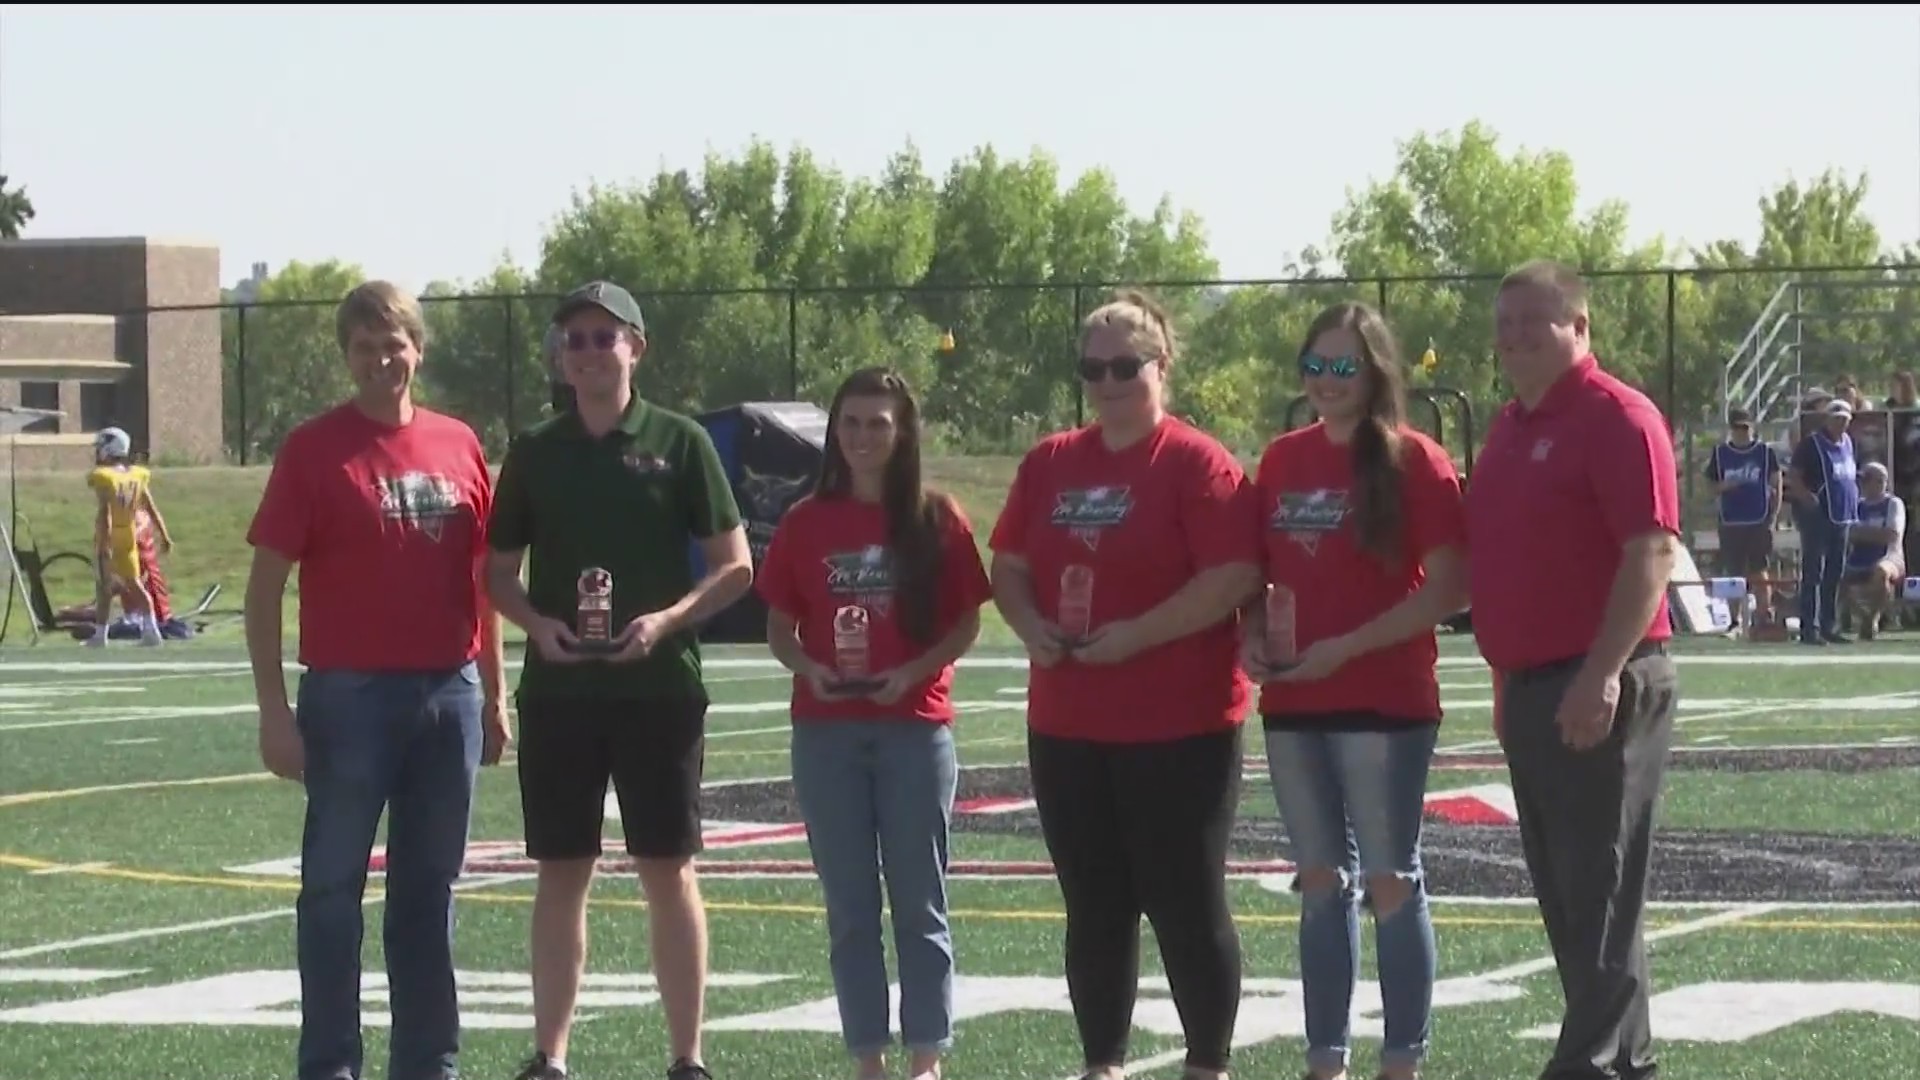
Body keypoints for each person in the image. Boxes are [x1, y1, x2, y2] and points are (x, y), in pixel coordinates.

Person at [987, 289, 1263, 1080]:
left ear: (1161, 365)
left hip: (1181, 723)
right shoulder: (1049, 461)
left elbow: (1235, 573)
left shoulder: (1196, 461)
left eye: (1123, 366)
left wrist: (1136, 636)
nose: (1106, 382)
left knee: (1185, 901)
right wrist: (1031, 624)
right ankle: (1101, 1063)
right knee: (1094, 903)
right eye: (1092, 368)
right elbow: (1008, 566)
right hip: (1069, 721)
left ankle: (1206, 1063)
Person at [484, 280, 754, 1080]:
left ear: (636, 347)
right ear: (560, 356)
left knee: (667, 869)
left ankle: (686, 1057)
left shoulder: (679, 442)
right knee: (561, 870)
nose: (592, 352)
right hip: (561, 692)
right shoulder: (534, 449)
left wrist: (666, 622)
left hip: (659, 688)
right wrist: (540, 629)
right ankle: (552, 1055)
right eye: (577, 339)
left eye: (607, 337)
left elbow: (736, 566)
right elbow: (499, 575)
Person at [243, 279, 511, 1080]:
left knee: (429, 897)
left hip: (447, 694)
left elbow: (484, 582)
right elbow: (264, 589)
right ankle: (329, 1064)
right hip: (349, 696)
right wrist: (273, 711)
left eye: (393, 344)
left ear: (416, 351)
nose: (380, 360)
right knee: (331, 892)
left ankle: (428, 1064)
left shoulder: (459, 443)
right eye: (364, 347)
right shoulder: (313, 449)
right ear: (346, 356)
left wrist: (495, 696)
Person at [1240, 301, 1468, 1080]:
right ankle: (1324, 1056)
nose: (1328, 381)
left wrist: (1344, 648)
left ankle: (1402, 1056)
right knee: (1317, 881)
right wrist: (1250, 638)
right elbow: (1254, 574)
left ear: (1376, 372)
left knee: (1389, 879)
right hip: (1293, 706)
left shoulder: (1417, 462)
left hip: (1385, 702)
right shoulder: (1279, 460)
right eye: (1317, 365)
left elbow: (1447, 590)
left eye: (1345, 366)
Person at [1464, 259, 1681, 1080]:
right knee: (1568, 894)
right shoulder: (1510, 427)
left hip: (1601, 679)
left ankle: (1590, 1064)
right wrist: (1503, 681)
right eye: (1506, 322)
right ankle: (1624, 1061)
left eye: (1536, 320)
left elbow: (1651, 551)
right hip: (1532, 685)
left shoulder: (1617, 416)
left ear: (1579, 327)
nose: (1515, 335)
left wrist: (1601, 673)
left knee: (1599, 887)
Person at [757, 367, 993, 1080]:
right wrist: (810, 667)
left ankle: (927, 1056)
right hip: (826, 731)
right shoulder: (805, 521)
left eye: (878, 424)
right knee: (851, 906)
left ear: (903, 433)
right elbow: (779, 625)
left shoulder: (937, 517)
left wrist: (911, 672)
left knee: (921, 899)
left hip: (915, 730)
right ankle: (869, 1056)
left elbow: (966, 621)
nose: (862, 437)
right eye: (851, 423)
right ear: (834, 431)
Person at [85, 426, 172, 647]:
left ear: (109, 448)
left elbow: (106, 513)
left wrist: (105, 543)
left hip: (112, 535)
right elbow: (151, 509)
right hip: (129, 534)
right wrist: (165, 536)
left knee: (108, 585)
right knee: (125, 584)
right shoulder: (137, 475)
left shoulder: (104, 477)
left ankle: (103, 635)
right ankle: (146, 630)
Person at [1786, 398, 1860, 644]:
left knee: (1834, 573)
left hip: (1842, 516)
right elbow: (1794, 475)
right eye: (1836, 418)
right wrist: (1805, 496)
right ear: (1827, 419)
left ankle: (1829, 625)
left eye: (1845, 420)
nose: (1840, 424)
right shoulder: (1811, 444)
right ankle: (1810, 628)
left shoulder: (1847, 443)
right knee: (1814, 572)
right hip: (1817, 515)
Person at [1704, 407, 1782, 634]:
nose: (1741, 432)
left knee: (1759, 569)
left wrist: (1773, 516)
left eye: (1745, 428)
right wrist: (1726, 486)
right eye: (1737, 428)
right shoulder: (1721, 454)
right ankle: (1734, 621)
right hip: (1731, 520)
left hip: (1758, 519)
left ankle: (1763, 616)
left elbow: (1776, 484)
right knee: (1733, 572)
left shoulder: (1765, 453)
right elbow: (1709, 486)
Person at [1841, 461, 1907, 637]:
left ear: (1882, 482)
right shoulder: (1857, 505)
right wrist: (1872, 534)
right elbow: (1847, 533)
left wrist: (1861, 533)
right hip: (1859, 557)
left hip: (1889, 556)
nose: (1864, 484)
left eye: (1869, 479)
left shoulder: (1893, 504)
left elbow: (1892, 535)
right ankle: (1864, 618)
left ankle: (1873, 618)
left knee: (1881, 572)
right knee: (1833, 576)